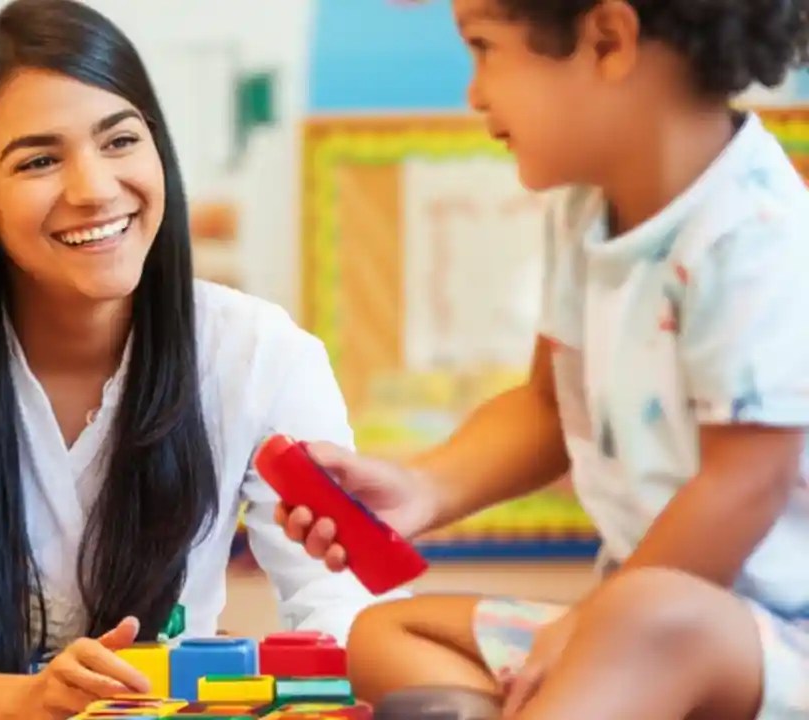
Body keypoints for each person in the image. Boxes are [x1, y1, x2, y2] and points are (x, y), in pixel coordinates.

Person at [0, 1, 390, 719]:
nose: (95, 188)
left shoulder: (261, 354)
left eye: (120, 140)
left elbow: (351, 606)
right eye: (40, 160)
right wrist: (24, 701)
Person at [278, 0, 809, 718]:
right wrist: (422, 489)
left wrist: (596, 623)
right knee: (386, 631)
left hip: (766, 637)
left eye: (484, 48)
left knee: (647, 616)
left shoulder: (754, 234)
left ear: (608, 40)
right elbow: (547, 406)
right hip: (633, 621)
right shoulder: (585, 210)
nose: (473, 91)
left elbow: (745, 484)